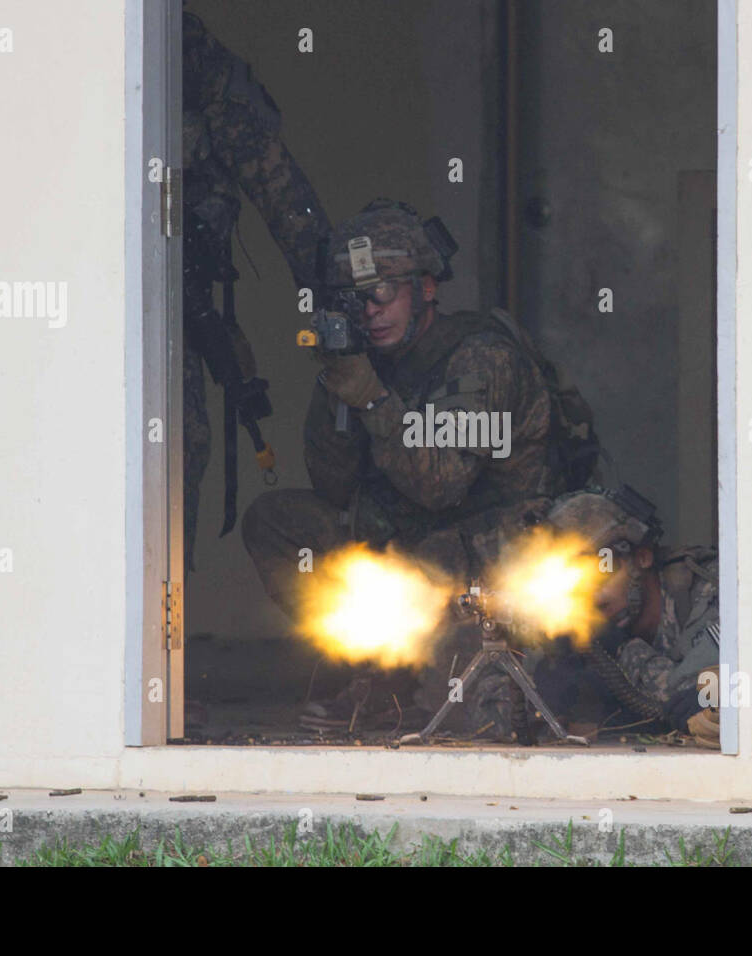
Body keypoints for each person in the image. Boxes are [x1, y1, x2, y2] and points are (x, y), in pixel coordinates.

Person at [241, 198, 564, 731]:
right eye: (354, 300)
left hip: (497, 545)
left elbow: (443, 486)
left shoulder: (480, 358)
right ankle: (368, 657)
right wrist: (338, 390)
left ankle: (391, 679)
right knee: (279, 522)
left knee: (429, 568)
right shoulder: (370, 360)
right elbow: (335, 487)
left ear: (426, 288)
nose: (369, 311)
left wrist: (373, 401)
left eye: (383, 292)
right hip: (410, 536)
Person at [181, 10, 331, 572]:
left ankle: (156, 626)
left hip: (169, 295)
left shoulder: (178, 47)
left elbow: (276, 184)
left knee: (180, 444)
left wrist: (330, 298)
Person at [535, 489, 721, 747]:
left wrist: (619, 647)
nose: (591, 596)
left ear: (642, 557)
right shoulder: (595, 629)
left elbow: (695, 700)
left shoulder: (708, 592)